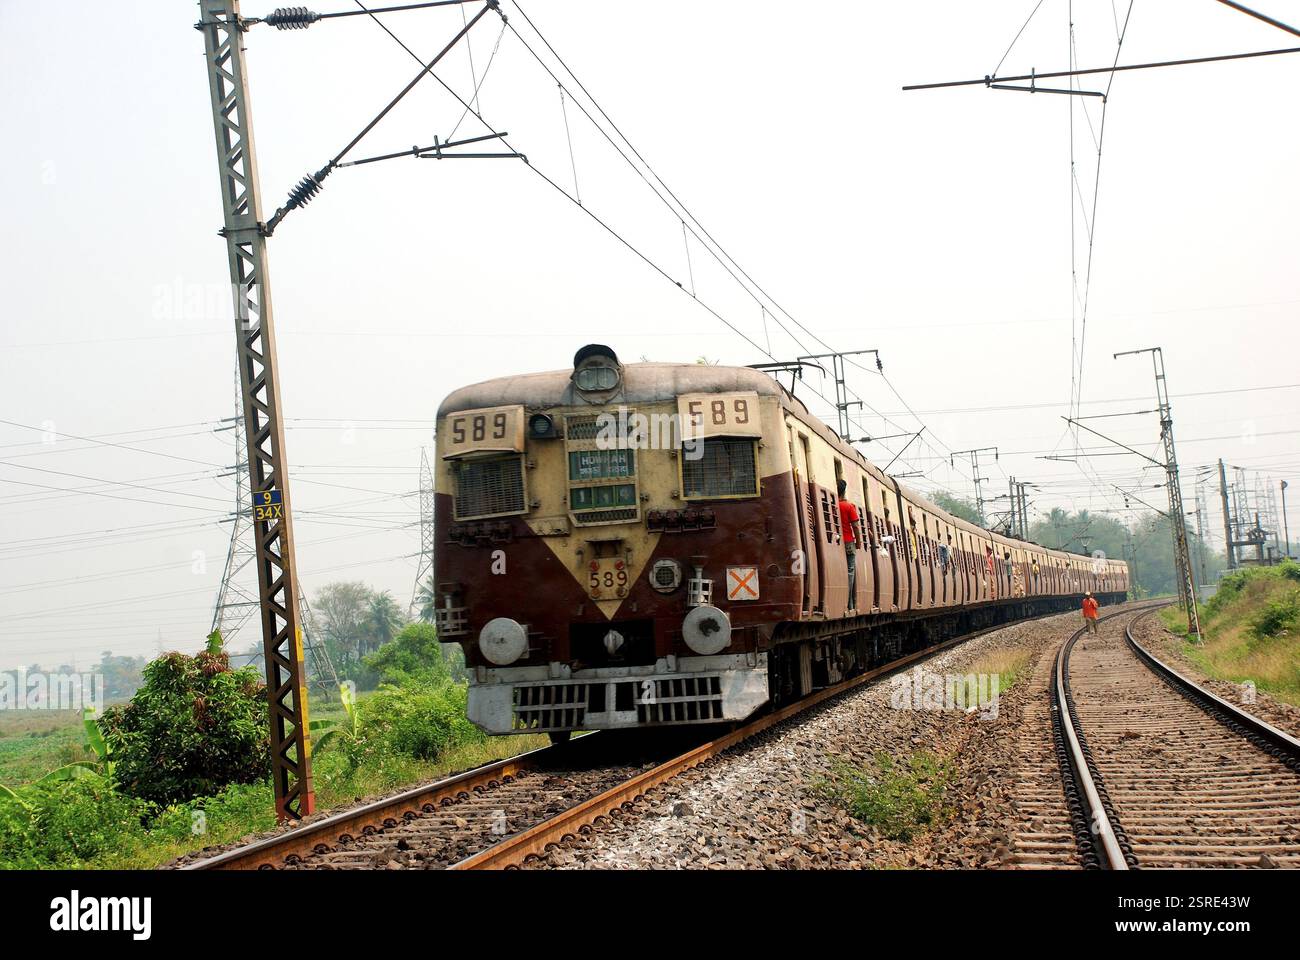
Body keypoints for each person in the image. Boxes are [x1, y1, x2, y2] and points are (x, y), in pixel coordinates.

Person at [837, 479, 859, 612]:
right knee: (850, 572)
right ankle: (849, 602)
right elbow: (855, 525)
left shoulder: (834, 506)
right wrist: (859, 542)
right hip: (849, 542)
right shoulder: (849, 506)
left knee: (841, 572)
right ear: (844, 491)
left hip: (837, 541)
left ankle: (847, 601)